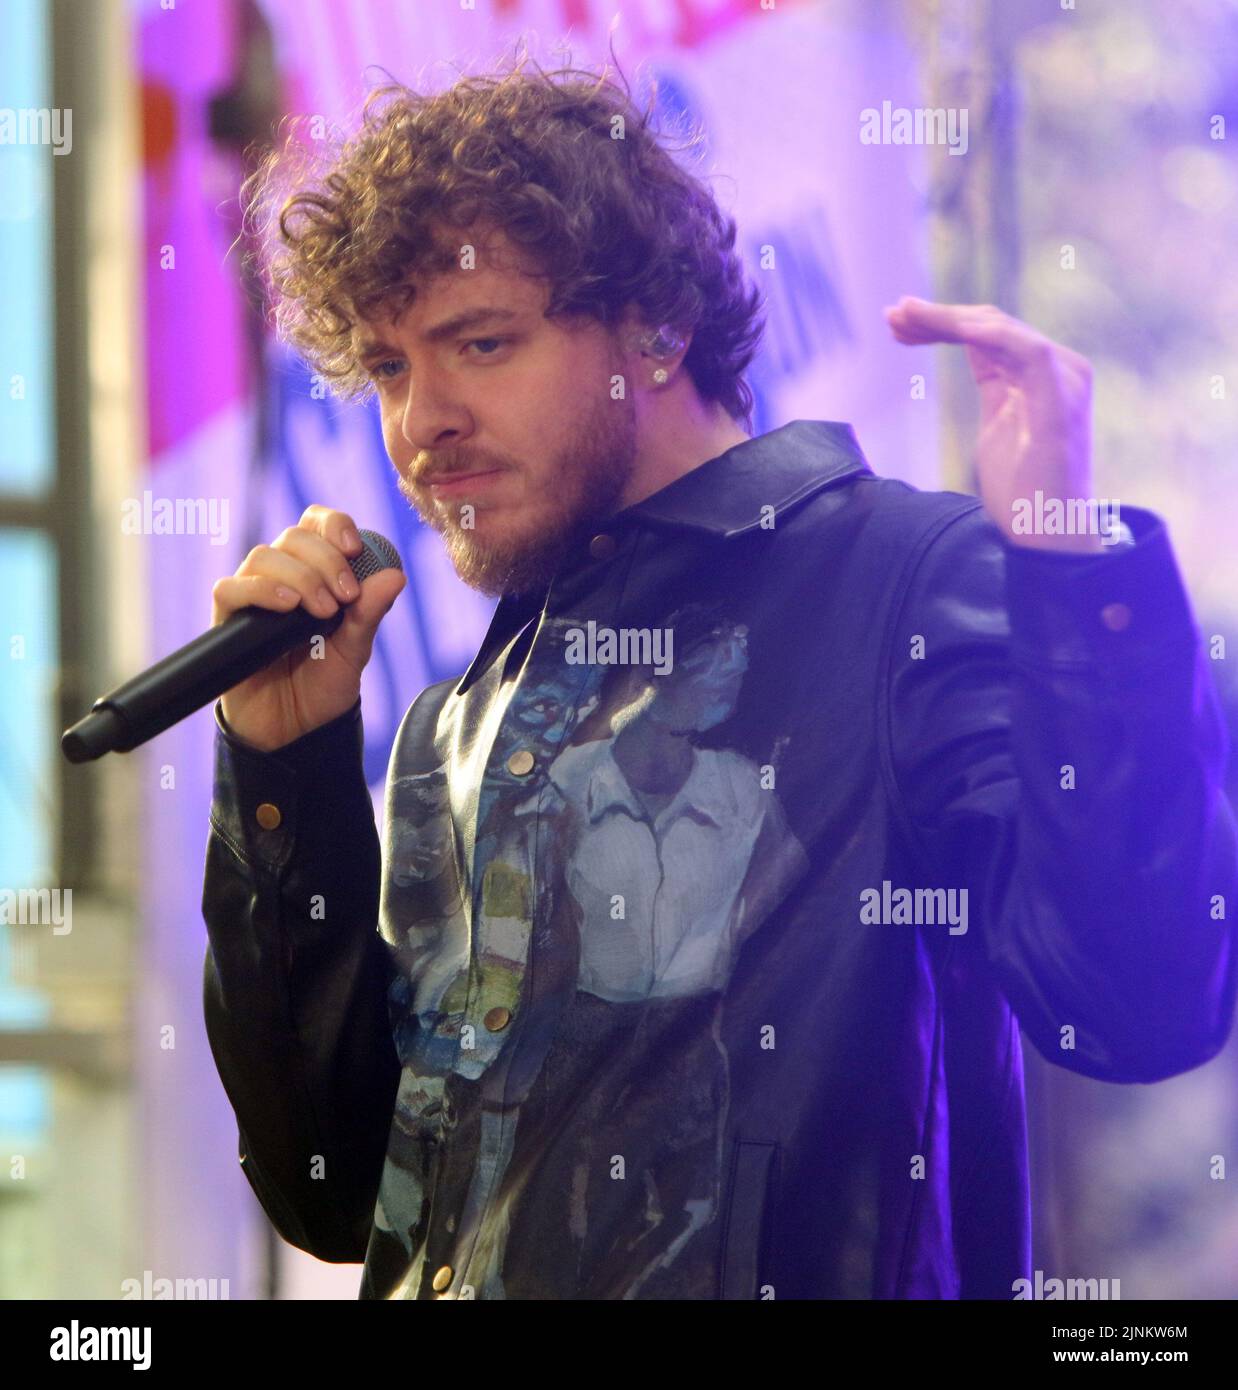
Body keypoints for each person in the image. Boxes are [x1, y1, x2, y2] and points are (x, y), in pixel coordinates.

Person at [200, 53, 1238, 1300]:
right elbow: (332, 1184)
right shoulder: (459, 715)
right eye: (387, 369)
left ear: (655, 327)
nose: (421, 421)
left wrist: (1073, 578)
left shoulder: (900, 581)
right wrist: (283, 774)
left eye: (478, 343)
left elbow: (1135, 1003)